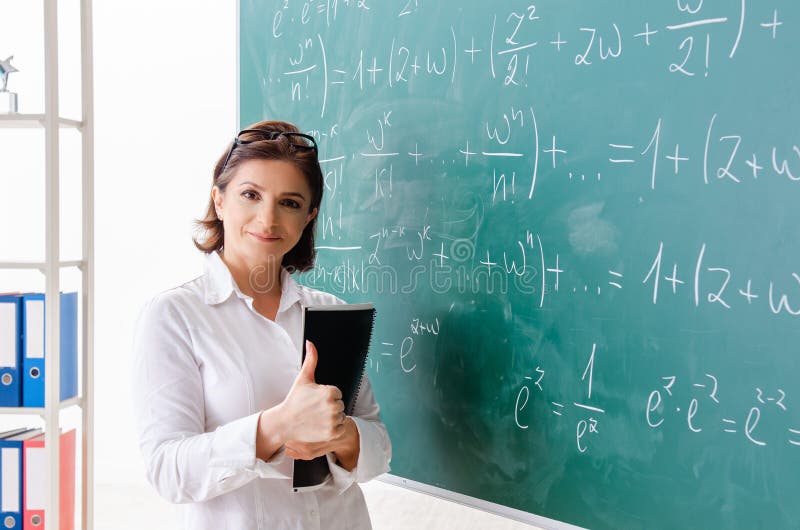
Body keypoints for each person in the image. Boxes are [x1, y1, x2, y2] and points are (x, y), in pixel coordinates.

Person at [132, 120, 391, 529]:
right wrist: (274, 427)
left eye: (289, 202)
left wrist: (342, 434)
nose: (267, 219)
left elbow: (378, 446)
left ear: (309, 216)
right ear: (219, 200)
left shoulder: (330, 312)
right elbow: (167, 470)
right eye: (250, 195)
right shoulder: (175, 315)